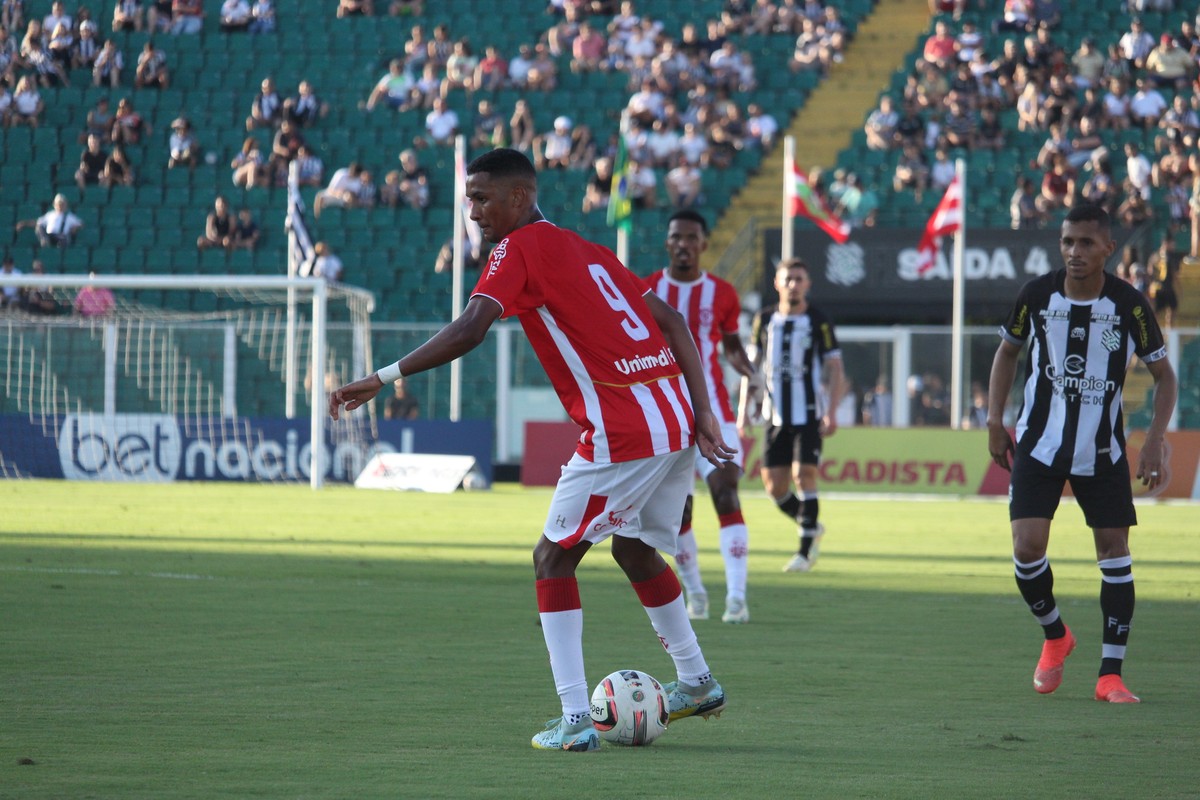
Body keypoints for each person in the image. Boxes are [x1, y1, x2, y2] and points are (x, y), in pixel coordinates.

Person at [328, 148, 731, 752]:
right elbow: (672, 321)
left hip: (624, 427)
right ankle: (697, 682)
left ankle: (575, 721)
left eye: (481, 198)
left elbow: (470, 329)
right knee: (633, 549)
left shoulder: (516, 249)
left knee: (552, 559)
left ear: (519, 197)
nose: (473, 212)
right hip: (671, 417)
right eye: (469, 199)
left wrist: (382, 377)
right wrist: (703, 413)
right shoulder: (587, 248)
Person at [986, 203, 1177, 705]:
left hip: (1102, 448)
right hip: (1039, 443)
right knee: (1027, 549)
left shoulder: (1130, 305)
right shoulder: (1036, 295)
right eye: (1068, 241)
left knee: (1114, 553)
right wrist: (993, 420)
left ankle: (1110, 676)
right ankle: (1056, 635)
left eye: (1086, 243)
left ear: (1108, 249)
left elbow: (1164, 377)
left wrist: (1154, 439)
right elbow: (1007, 351)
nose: (1074, 251)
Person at [646, 209, 756, 623]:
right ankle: (696, 594)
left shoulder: (722, 293)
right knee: (680, 513)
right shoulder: (647, 289)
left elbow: (731, 347)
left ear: (703, 244)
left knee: (726, 491)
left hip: (715, 411)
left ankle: (737, 597)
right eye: (676, 237)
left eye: (691, 238)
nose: (683, 244)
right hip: (666, 414)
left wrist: (752, 372)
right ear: (667, 242)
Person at [743, 258, 845, 573]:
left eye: (799, 279)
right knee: (774, 487)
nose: (793, 285)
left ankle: (803, 552)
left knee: (804, 474)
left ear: (807, 284)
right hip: (774, 417)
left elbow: (835, 368)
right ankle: (811, 524)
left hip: (808, 414)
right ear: (777, 283)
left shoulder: (818, 321)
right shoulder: (764, 320)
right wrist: (743, 411)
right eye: (787, 279)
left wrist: (832, 412)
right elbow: (751, 368)